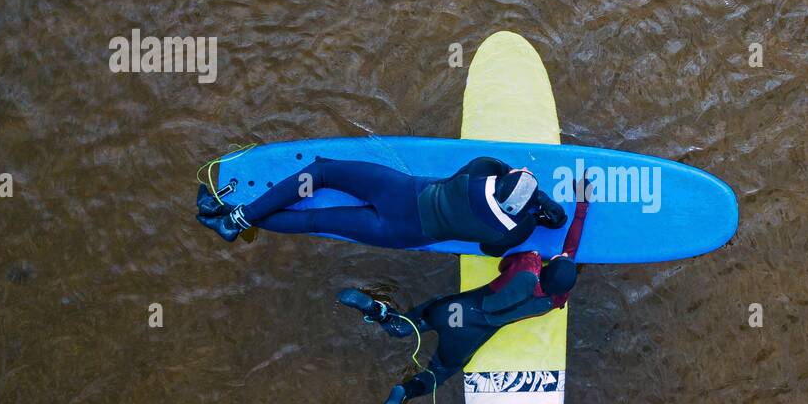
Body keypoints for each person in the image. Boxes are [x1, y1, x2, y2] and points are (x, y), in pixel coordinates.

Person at [338, 187, 589, 404]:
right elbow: (570, 255)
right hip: (469, 335)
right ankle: (404, 391)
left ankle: (375, 310)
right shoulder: (554, 301)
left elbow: (510, 265)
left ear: (550, 265)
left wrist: (582, 204)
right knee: (439, 372)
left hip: (455, 310)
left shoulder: (530, 264)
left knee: (404, 326)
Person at [196, 155, 565, 256]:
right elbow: (490, 249)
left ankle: (236, 217)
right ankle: (230, 223)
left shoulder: (482, 172)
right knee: (312, 220)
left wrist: (538, 195)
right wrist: (537, 214)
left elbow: (505, 168)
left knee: (322, 173)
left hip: (399, 192)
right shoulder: (513, 229)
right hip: (403, 232)